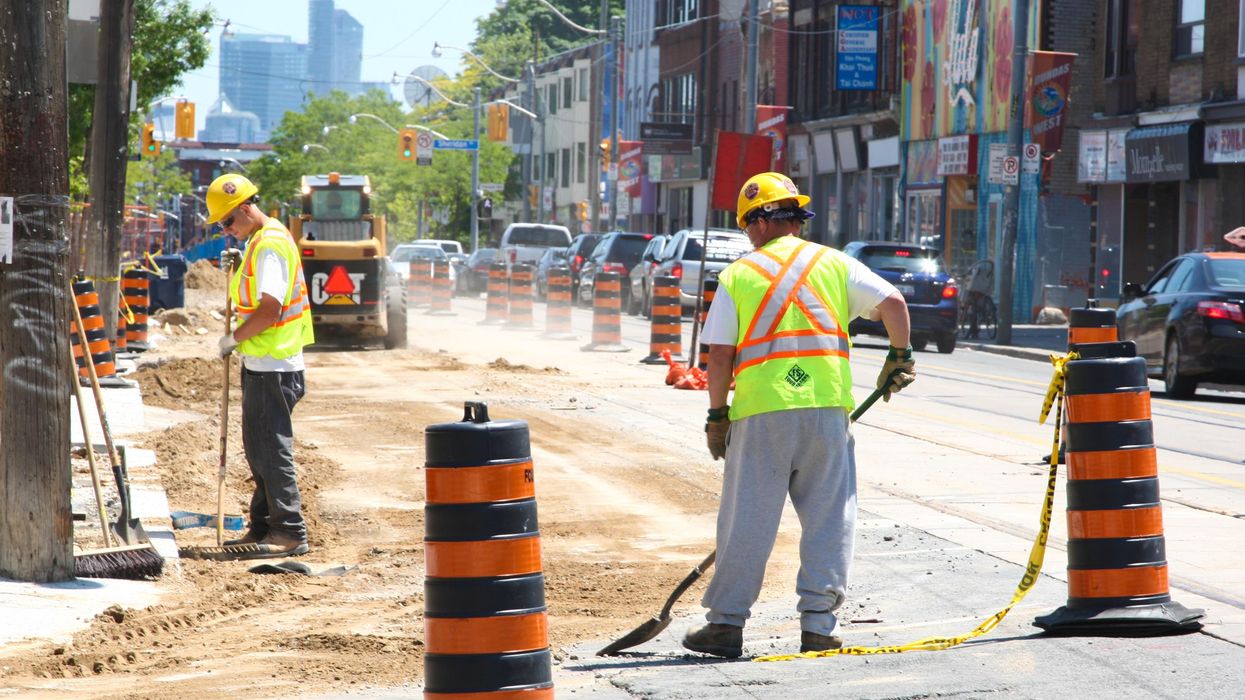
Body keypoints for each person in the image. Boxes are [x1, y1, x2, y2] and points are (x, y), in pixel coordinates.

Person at [684, 172, 916, 658]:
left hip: (762, 413)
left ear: (762, 221)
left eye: (748, 225)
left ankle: (725, 625)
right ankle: (819, 625)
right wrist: (900, 357)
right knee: (831, 518)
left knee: (747, 519)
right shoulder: (835, 264)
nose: (748, 235)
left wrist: (716, 416)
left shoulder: (739, 275)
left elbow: (720, 356)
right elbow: (893, 302)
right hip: (826, 411)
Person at [206, 173, 315, 560]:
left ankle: (288, 531)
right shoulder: (258, 242)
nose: (227, 231)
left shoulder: (268, 246)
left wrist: (233, 338)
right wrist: (238, 263)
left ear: (246, 208)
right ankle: (264, 524)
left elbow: (270, 310)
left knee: (271, 449)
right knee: (258, 449)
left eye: (228, 222)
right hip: (264, 361)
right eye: (222, 226)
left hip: (275, 364)